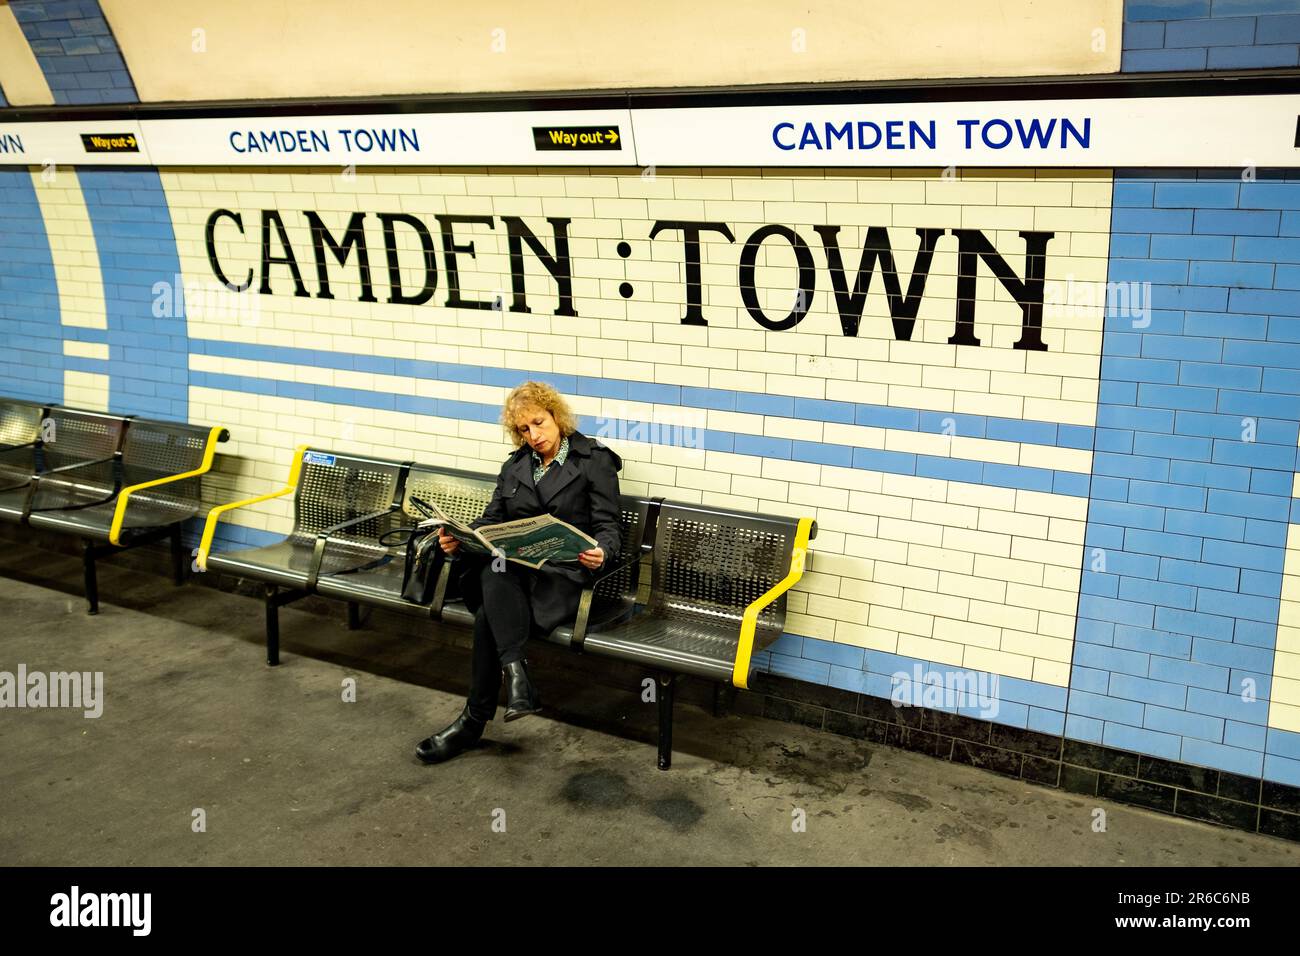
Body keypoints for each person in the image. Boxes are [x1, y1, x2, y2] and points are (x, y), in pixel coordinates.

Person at [416, 381, 623, 764]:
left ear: (557, 417)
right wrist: (460, 538)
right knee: (496, 569)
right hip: (514, 575)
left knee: (488, 613)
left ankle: (474, 720)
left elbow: (609, 526)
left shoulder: (594, 460)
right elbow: (492, 521)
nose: (535, 435)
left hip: (562, 578)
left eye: (540, 423)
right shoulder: (514, 467)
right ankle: (515, 675)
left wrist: (602, 551)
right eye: (524, 430)